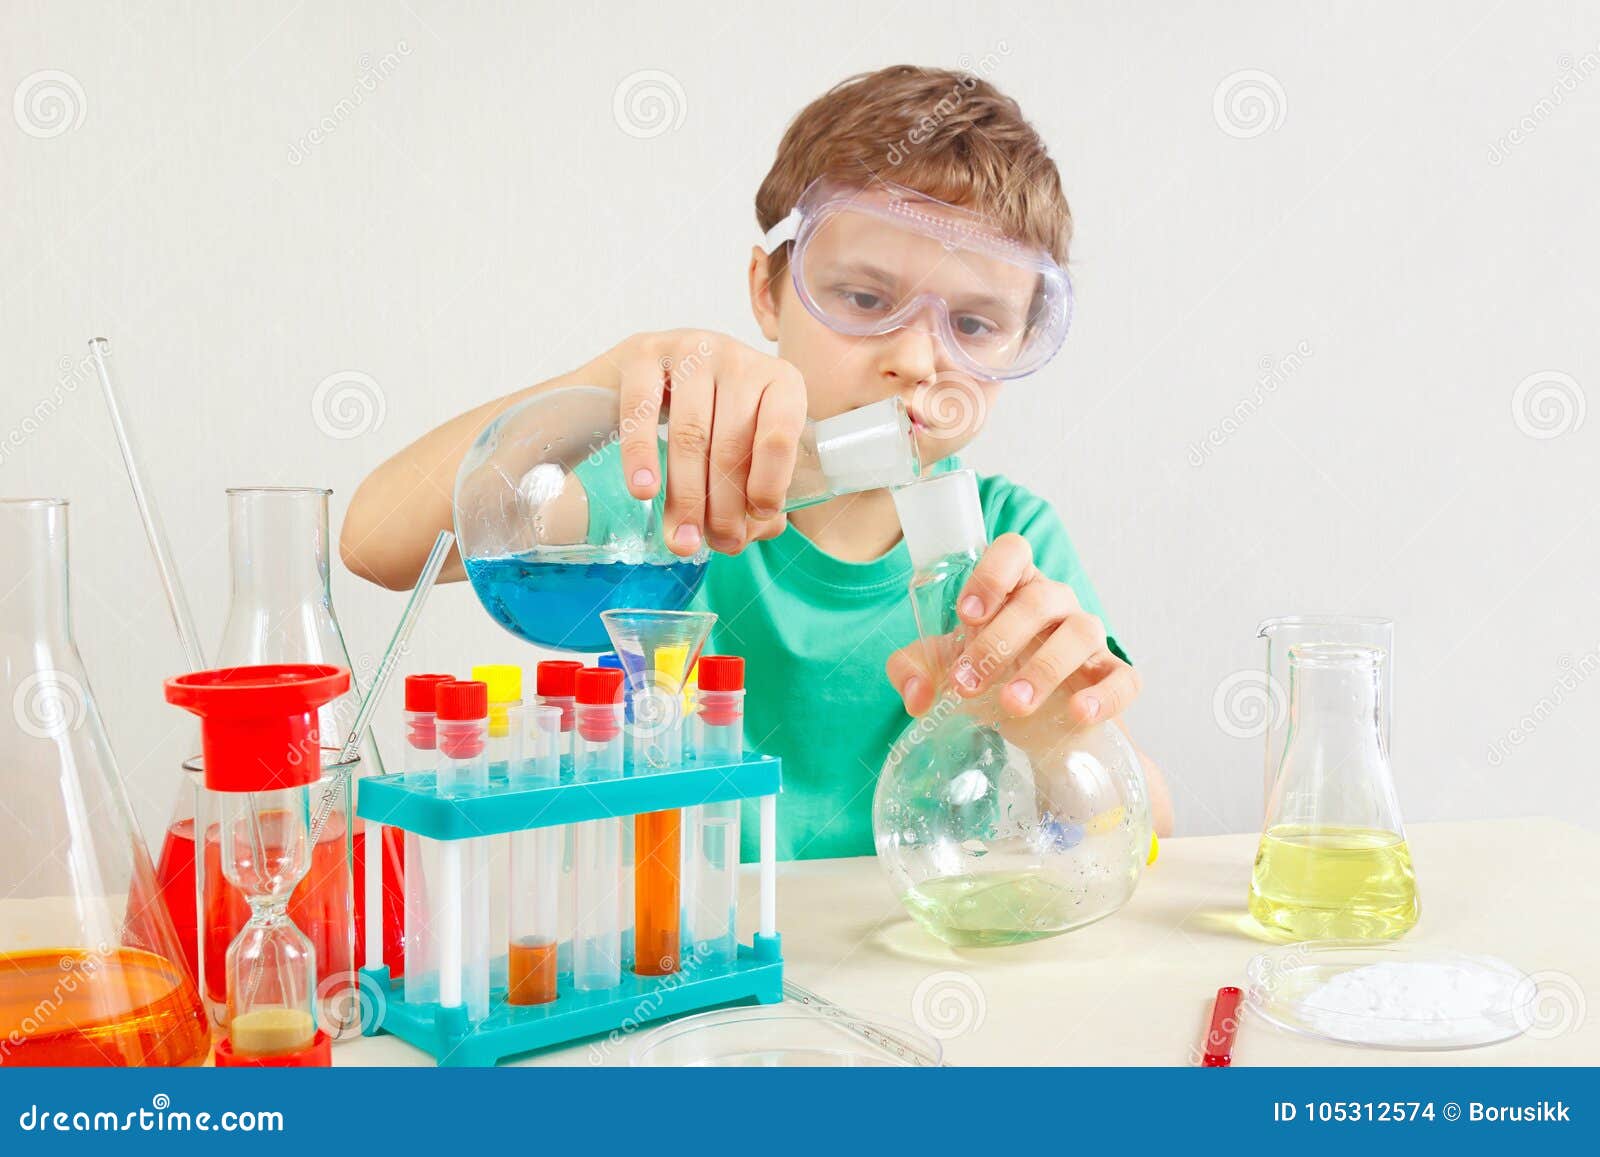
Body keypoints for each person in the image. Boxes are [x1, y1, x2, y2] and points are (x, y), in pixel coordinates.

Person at [342, 64, 1175, 860]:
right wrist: (618, 378)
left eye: (976, 324)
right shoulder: (665, 496)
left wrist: (1055, 728)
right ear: (768, 292)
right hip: (688, 960)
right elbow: (378, 539)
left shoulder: (1008, 542)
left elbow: (1150, 823)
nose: (920, 360)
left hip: (916, 958)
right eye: (865, 298)